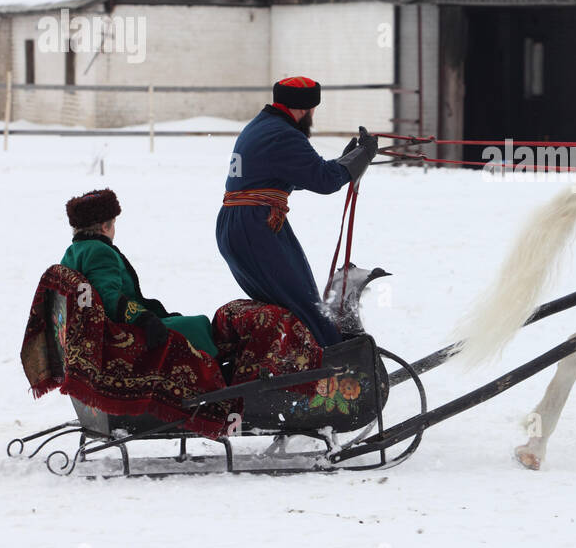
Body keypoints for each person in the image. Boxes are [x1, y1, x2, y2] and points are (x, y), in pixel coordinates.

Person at [216, 76, 377, 348]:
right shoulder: (283, 134)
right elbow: (323, 181)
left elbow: (300, 174)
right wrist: (361, 157)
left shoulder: (262, 126)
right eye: (313, 110)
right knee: (304, 305)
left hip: (239, 224)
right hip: (256, 226)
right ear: (304, 109)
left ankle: (293, 361)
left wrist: (344, 162)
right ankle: (331, 369)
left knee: (287, 305)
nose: (313, 116)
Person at [60, 188, 220, 359]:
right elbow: (108, 298)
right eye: (113, 224)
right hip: (119, 330)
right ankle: (214, 372)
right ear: (105, 227)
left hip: (98, 330)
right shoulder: (99, 252)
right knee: (197, 325)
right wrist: (144, 318)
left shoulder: (72, 252)